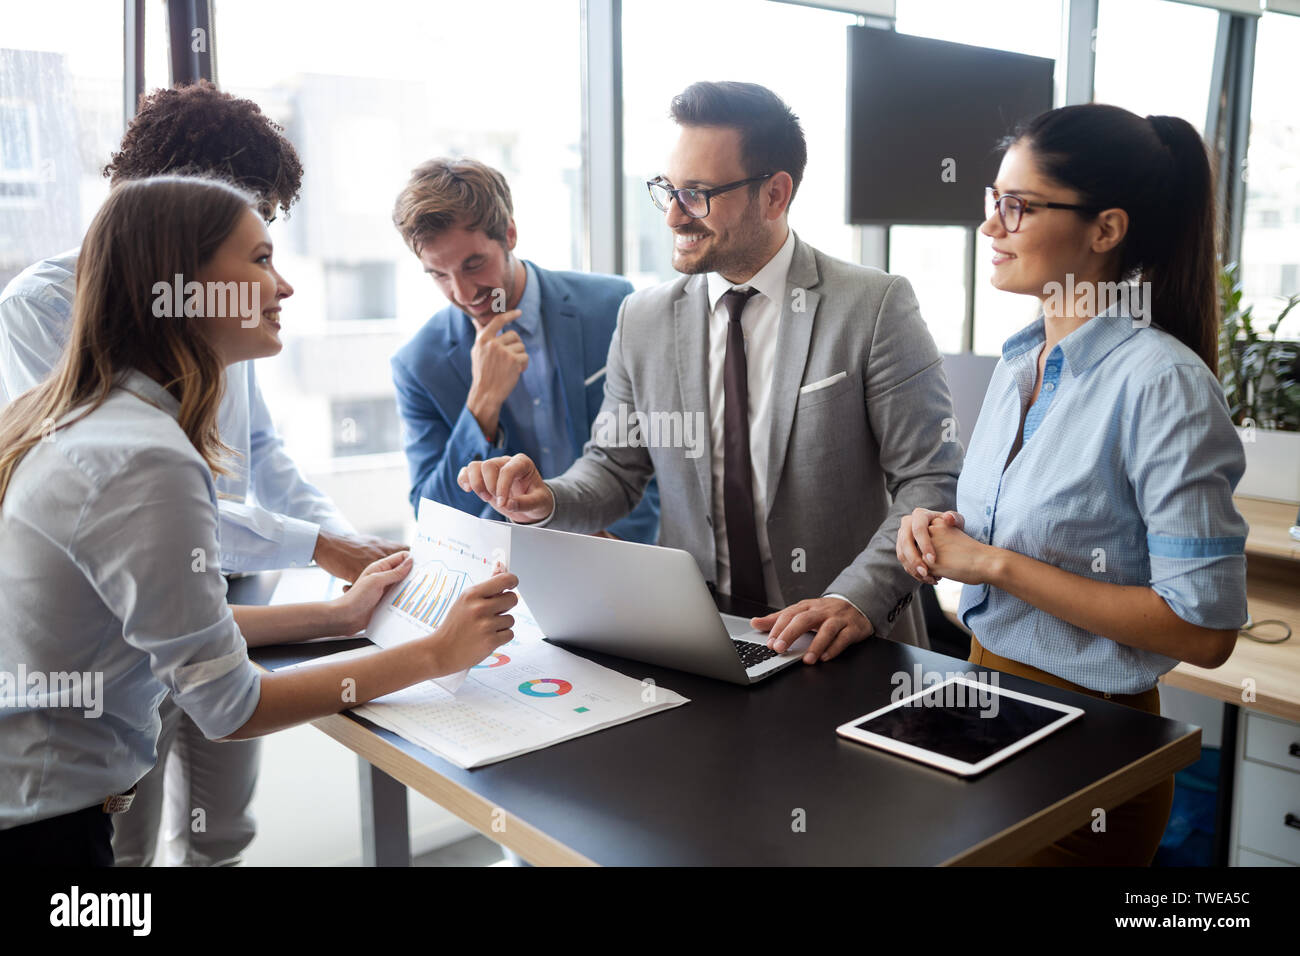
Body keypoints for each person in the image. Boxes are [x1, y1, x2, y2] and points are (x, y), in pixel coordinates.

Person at [0, 175, 517, 866]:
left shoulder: (87, 417)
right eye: (261, 258)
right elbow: (232, 708)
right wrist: (435, 655)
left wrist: (339, 618)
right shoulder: (147, 457)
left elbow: (157, 624)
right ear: (185, 284)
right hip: (45, 831)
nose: (286, 286)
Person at [460, 81, 962, 660]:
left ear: (774, 195)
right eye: (668, 190)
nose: (673, 216)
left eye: (696, 194)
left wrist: (854, 601)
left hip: (844, 647)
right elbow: (615, 470)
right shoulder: (642, 318)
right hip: (699, 643)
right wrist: (545, 498)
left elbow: (930, 479)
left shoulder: (874, 307)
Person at [896, 103, 1247, 866]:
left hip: (1092, 747)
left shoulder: (1164, 385)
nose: (991, 228)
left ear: (1106, 229)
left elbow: (1205, 631)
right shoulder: (1018, 364)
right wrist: (940, 530)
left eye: (1017, 207)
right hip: (984, 700)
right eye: (994, 201)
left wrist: (990, 565)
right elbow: (1031, 525)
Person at [390, 158, 659, 543]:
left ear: (510, 234)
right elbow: (431, 516)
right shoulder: (418, 365)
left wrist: (625, 543)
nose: (463, 294)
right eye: (439, 274)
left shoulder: (612, 304)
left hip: (623, 546)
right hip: (509, 574)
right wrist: (481, 406)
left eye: (474, 264)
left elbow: (650, 447)